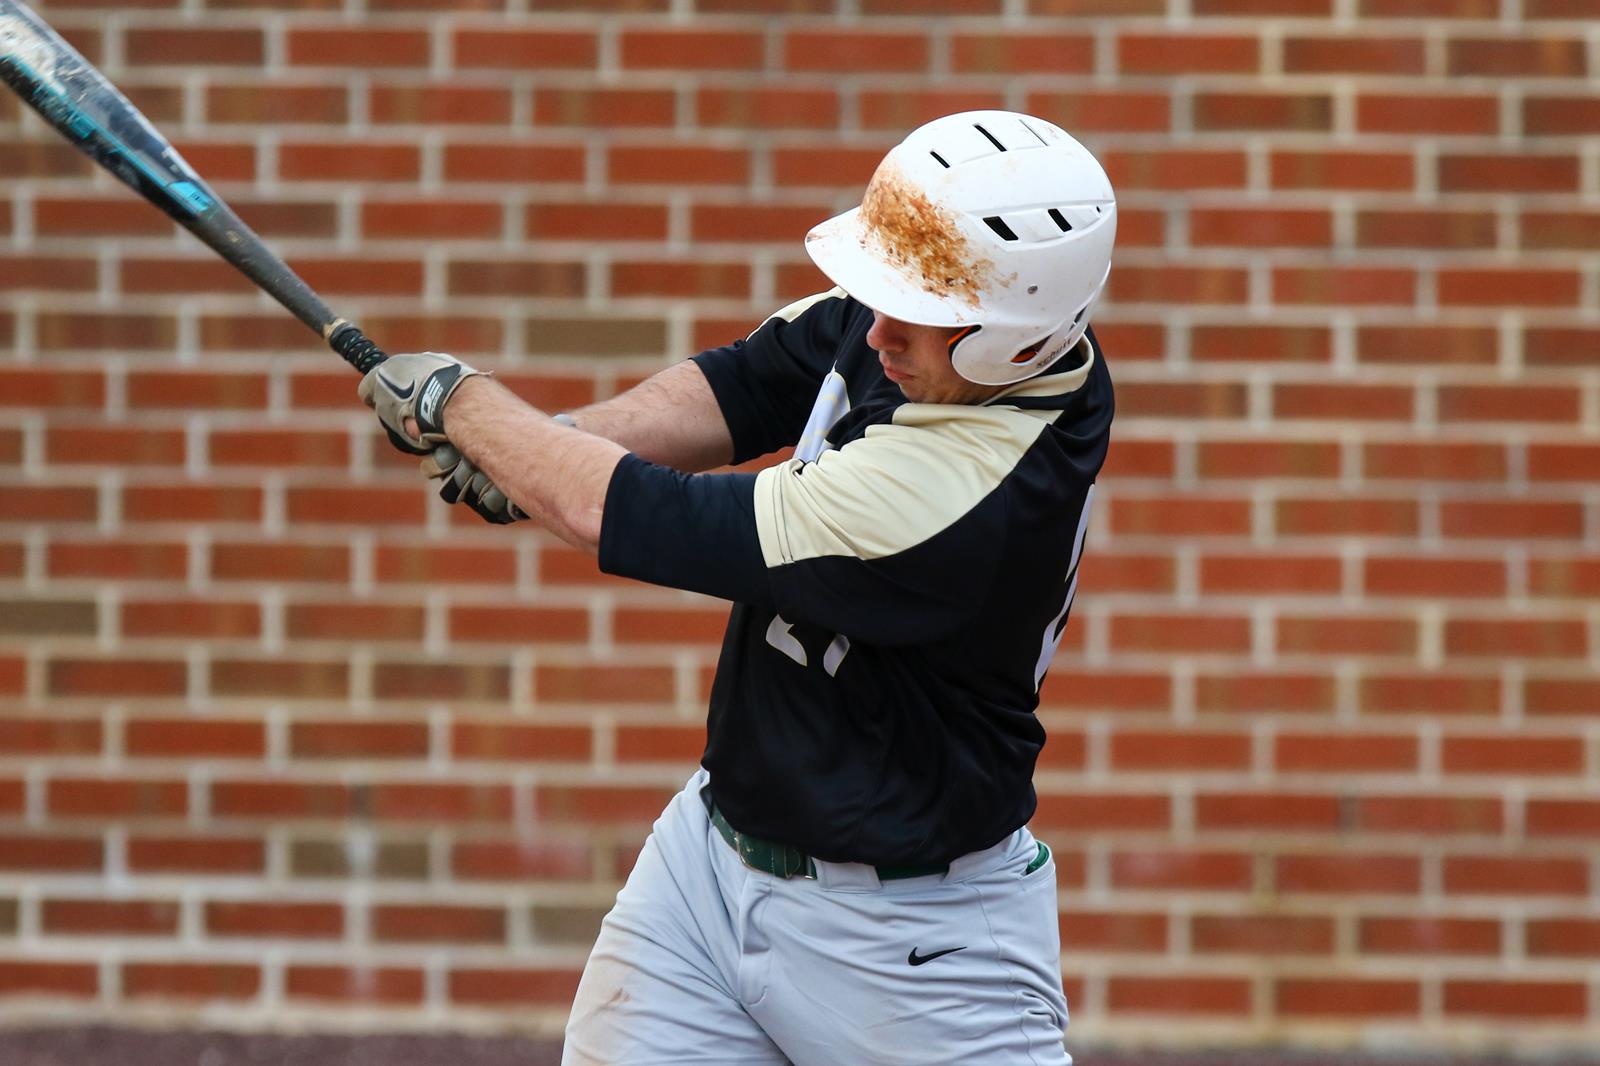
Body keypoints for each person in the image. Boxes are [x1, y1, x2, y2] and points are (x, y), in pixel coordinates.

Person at [360, 110, 1117, 1066]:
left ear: (1009, 336)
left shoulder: (970, 495)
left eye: (910, 307)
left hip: (915, 948)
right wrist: (555, 442)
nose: (872, 324)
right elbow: (744, 385)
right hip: (709, 868)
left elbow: (642, 519)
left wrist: (468, 408)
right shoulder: (933, 350)